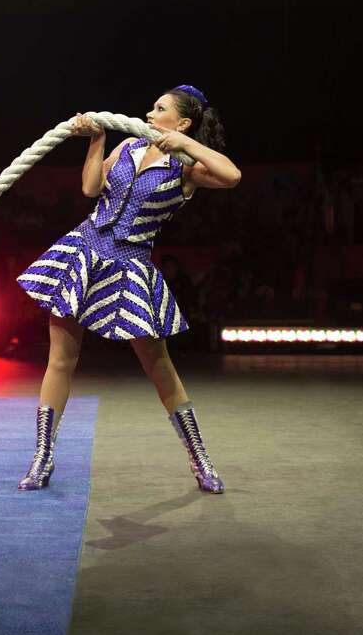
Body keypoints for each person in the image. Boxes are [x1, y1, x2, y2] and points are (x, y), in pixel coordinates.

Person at [15, 85, 240, 493]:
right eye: (151, 106)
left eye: (160, 108)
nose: (150, 113)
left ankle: (200, 459)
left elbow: (232, 175)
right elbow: (89, 189)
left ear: (183, 122)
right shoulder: (131, 145)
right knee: (61, 360)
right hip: (83, 252)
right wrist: (98, 140)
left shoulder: (187, 167)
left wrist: (185, 143)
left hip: (131, 267)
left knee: (159, 367)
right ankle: (42, 457)